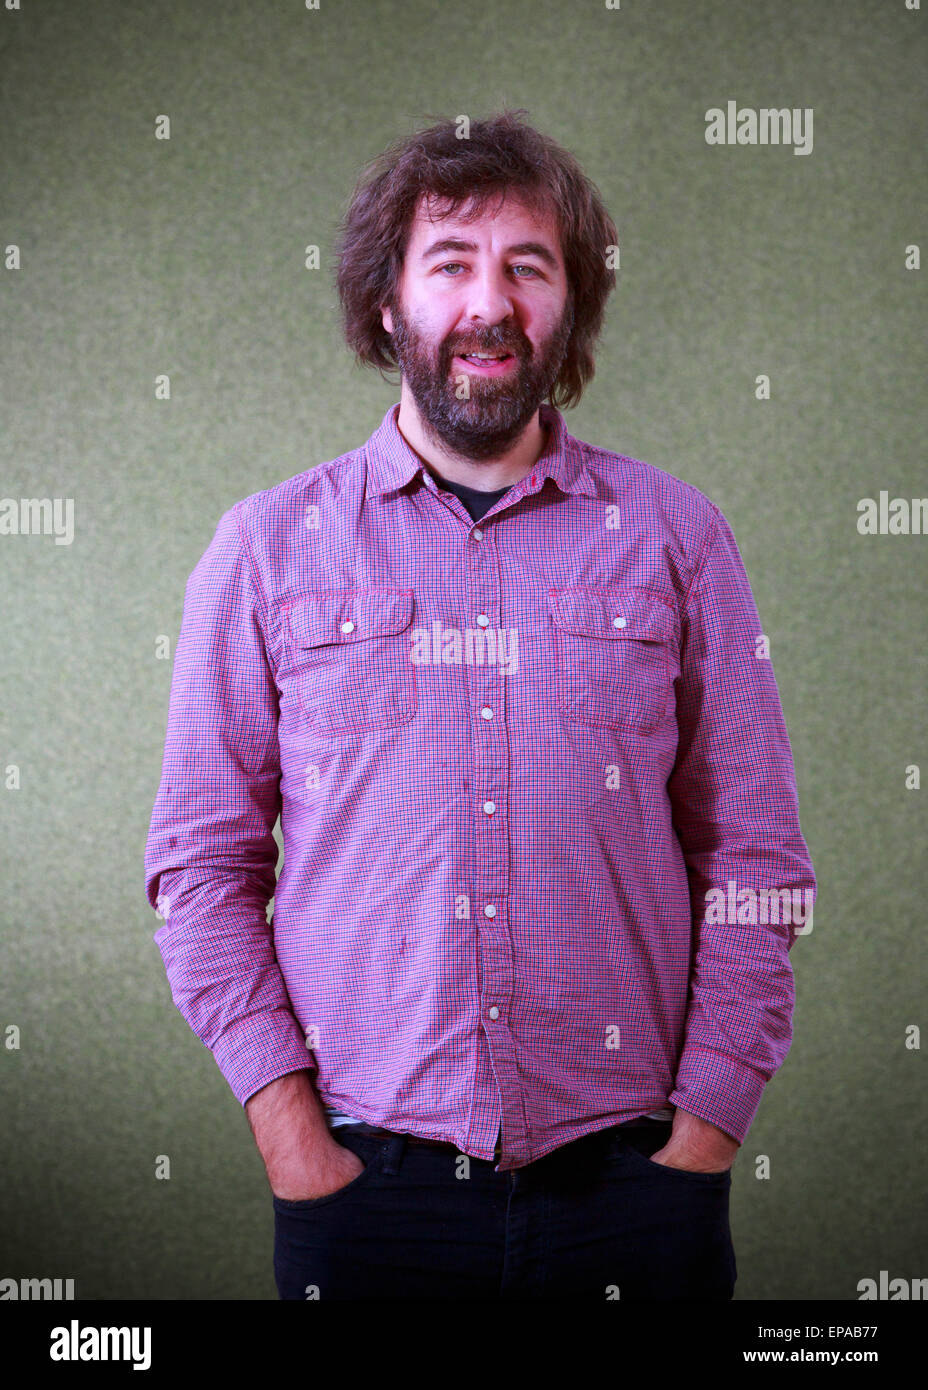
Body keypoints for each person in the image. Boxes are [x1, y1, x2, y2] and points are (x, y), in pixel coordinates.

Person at [144, 109, 816, 1301]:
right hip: (364, 1185)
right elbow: (200, 870)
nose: (488, 303)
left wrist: (703, 1132)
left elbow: (755, 857)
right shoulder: (264, 550)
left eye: (529, 266)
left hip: (633, 1186)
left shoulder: (676, 538)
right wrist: (292, 1139)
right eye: (449, 263)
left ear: (568, 308)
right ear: (388, 301)